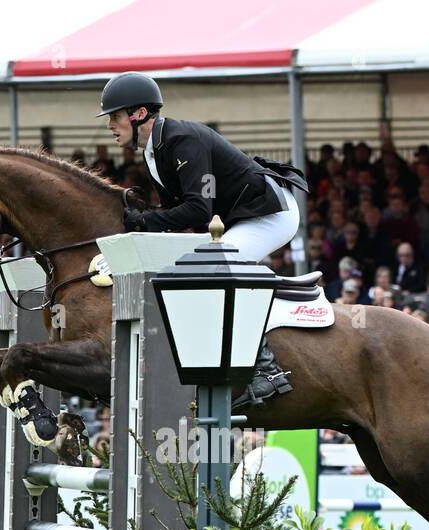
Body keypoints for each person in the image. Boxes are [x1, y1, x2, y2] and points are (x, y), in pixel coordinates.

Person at [98, 71, 308, 406]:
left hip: (269, 214)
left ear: (138, 115)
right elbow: (178, 212)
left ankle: (268, 371)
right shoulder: (154, 150)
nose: (110, 125)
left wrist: (148, 220)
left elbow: (198, 209)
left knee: (217, 270)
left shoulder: (183, 140)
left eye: (115, 117)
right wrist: (144, 221)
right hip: (237, 216)